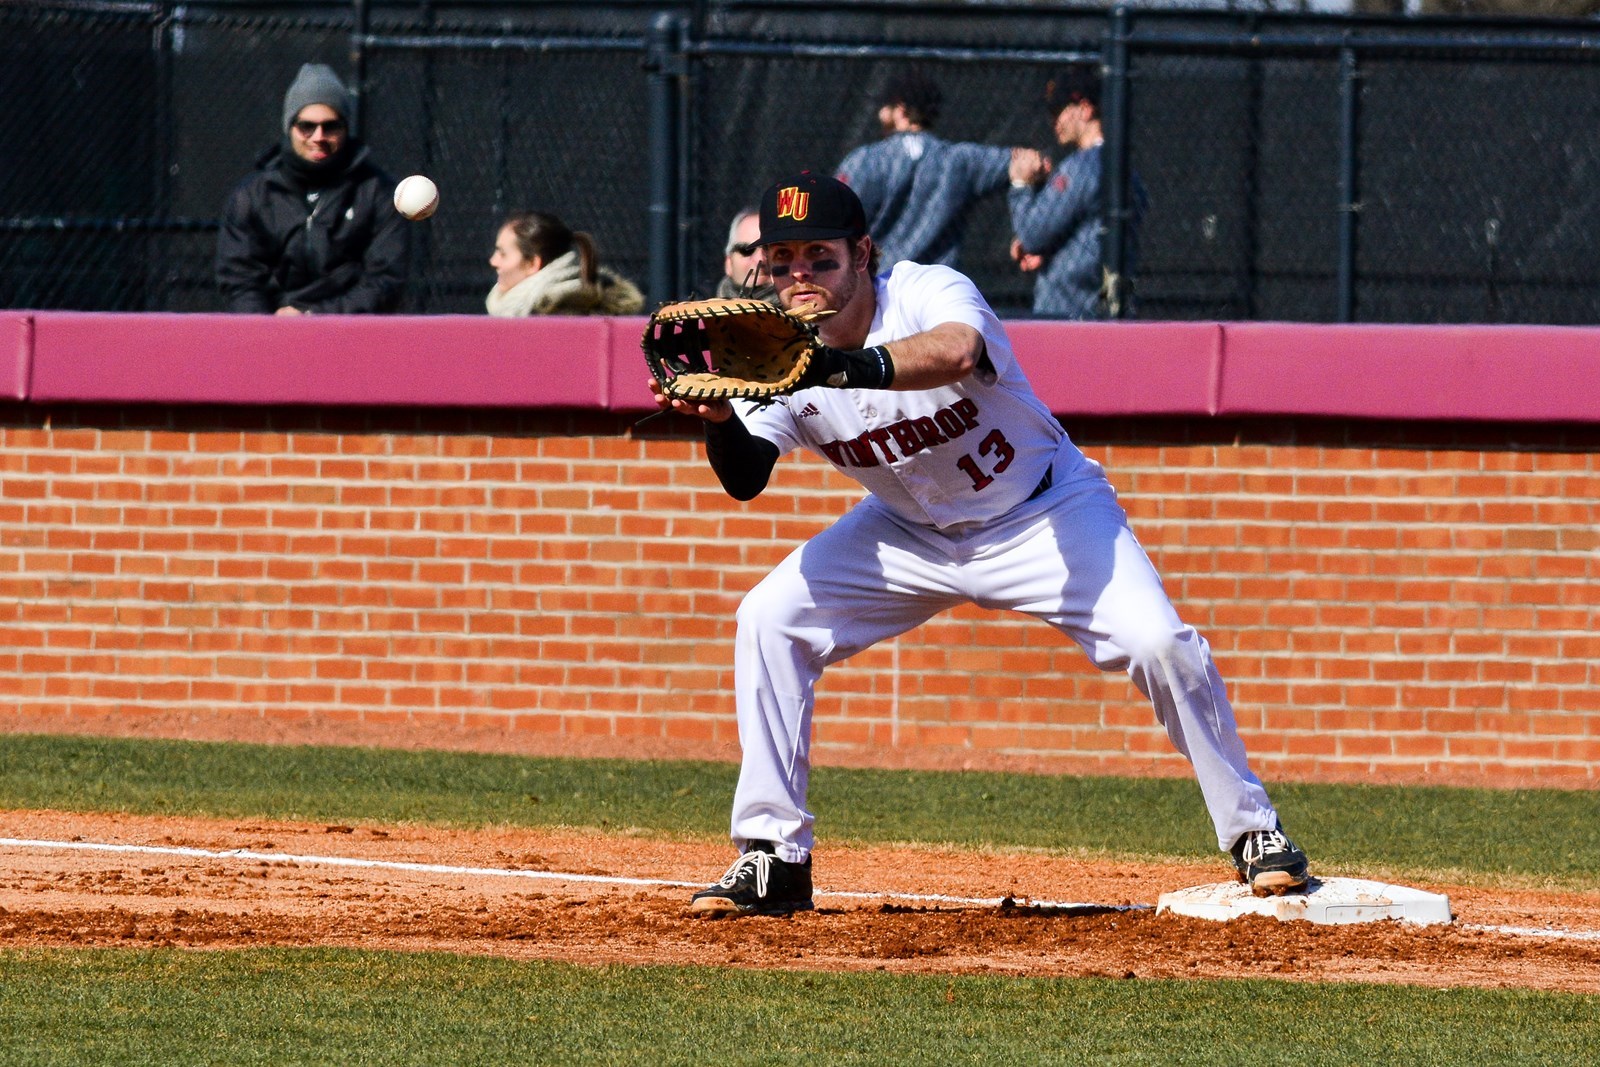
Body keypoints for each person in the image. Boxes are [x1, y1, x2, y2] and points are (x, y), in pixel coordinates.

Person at [648, 172, 1310, 918]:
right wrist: (714, 418)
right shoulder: (768, 350)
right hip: (907, 534)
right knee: (769, 617)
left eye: (820, 256)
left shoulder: (926, 291)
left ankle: (1254, 831)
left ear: (863, 252)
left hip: (1044, 508)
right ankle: (773, 857)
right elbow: (746, 477)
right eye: (782, 260)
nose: (800, 275)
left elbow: (958, 351)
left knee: (1159, 641)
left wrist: (837, 365)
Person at [216, 63, 410, 315]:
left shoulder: (377, 193)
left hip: (352, 336)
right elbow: (240, 280)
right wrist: (265, 327)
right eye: (306, 126)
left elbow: (385, 281)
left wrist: (315, 317)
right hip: (270, 336)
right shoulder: (252, 196)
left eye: (330, 126)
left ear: (345, 128)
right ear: (290, 127)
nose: (318, 136)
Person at [835, 72, 1049, 272]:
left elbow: (833, 216)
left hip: (881, 285)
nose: (880, 113)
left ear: (900, 110)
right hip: (939, 289)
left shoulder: (864, 160)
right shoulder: (960, 160)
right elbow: (1033, 163)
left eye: (886, 106)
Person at [1008, 65, 1145, 320]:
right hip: (1104, 308)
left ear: (1085, 108)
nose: (1054, 121)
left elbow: (1031, 233)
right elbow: (1089, 234)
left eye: (1059, 110)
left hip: (1067, 314)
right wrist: (1049, 252)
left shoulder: (1080, 166)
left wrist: (1020, 185)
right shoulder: (1124, 167)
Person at [486, 211, 644, 316]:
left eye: (503, 254)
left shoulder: (562, 314)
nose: (493, 261)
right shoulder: (522, 310)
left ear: (532, 264)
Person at [714, 207, 776, 302]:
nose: (760, 259)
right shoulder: (700, 315)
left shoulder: (802, 314)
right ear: (729, 263)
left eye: (768, 249)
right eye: (746, 250)